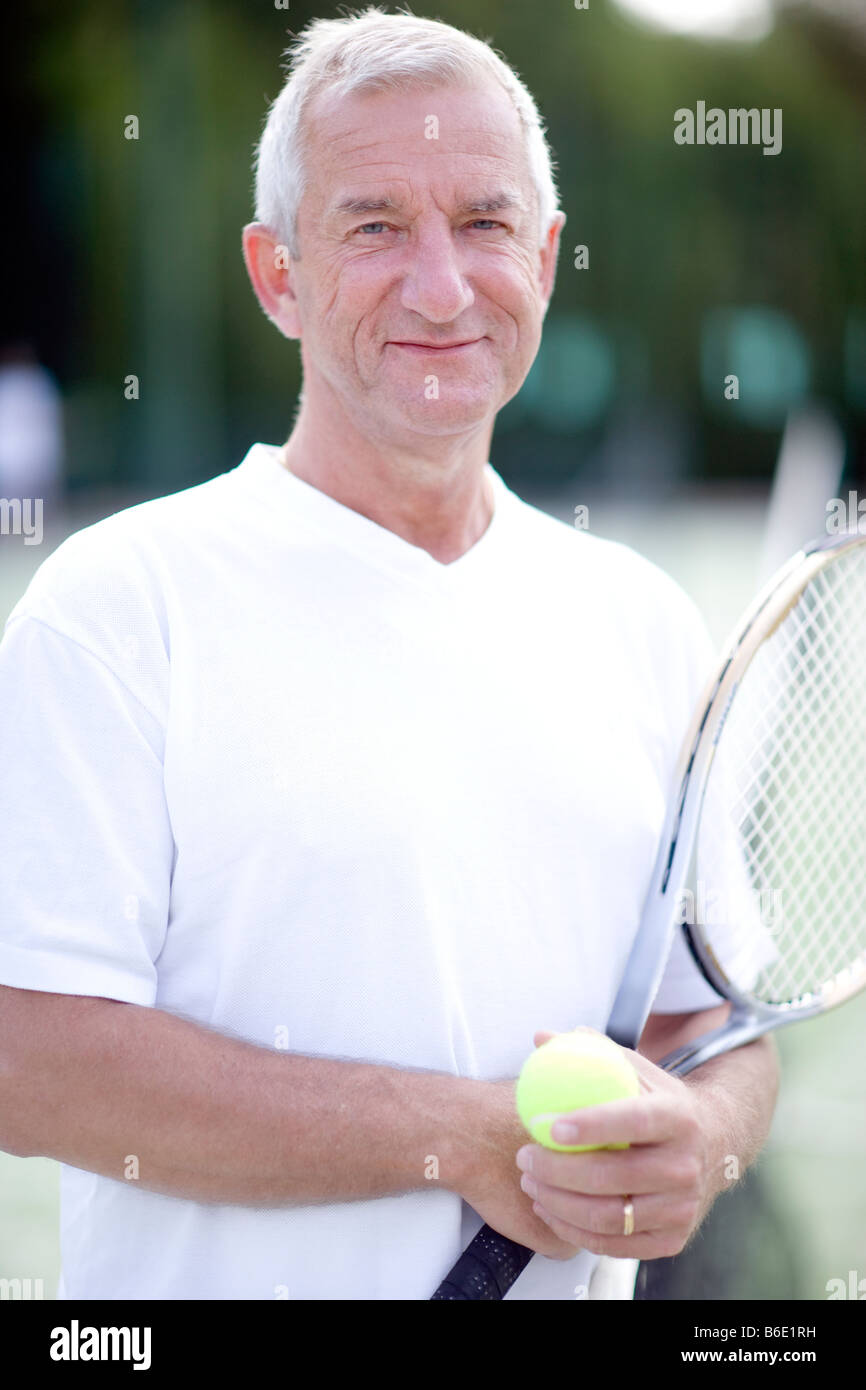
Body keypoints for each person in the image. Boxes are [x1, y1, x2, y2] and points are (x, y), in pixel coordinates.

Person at [0, 8, 778, 1301]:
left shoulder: (640, 622)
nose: (440, 285)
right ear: (277, 274)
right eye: (373, 227)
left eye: (482, 224)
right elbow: (28, 1060)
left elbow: (710, 1028)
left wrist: (708, 1137)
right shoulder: (116, 606)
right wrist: (457, 1136)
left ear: (542, 256)